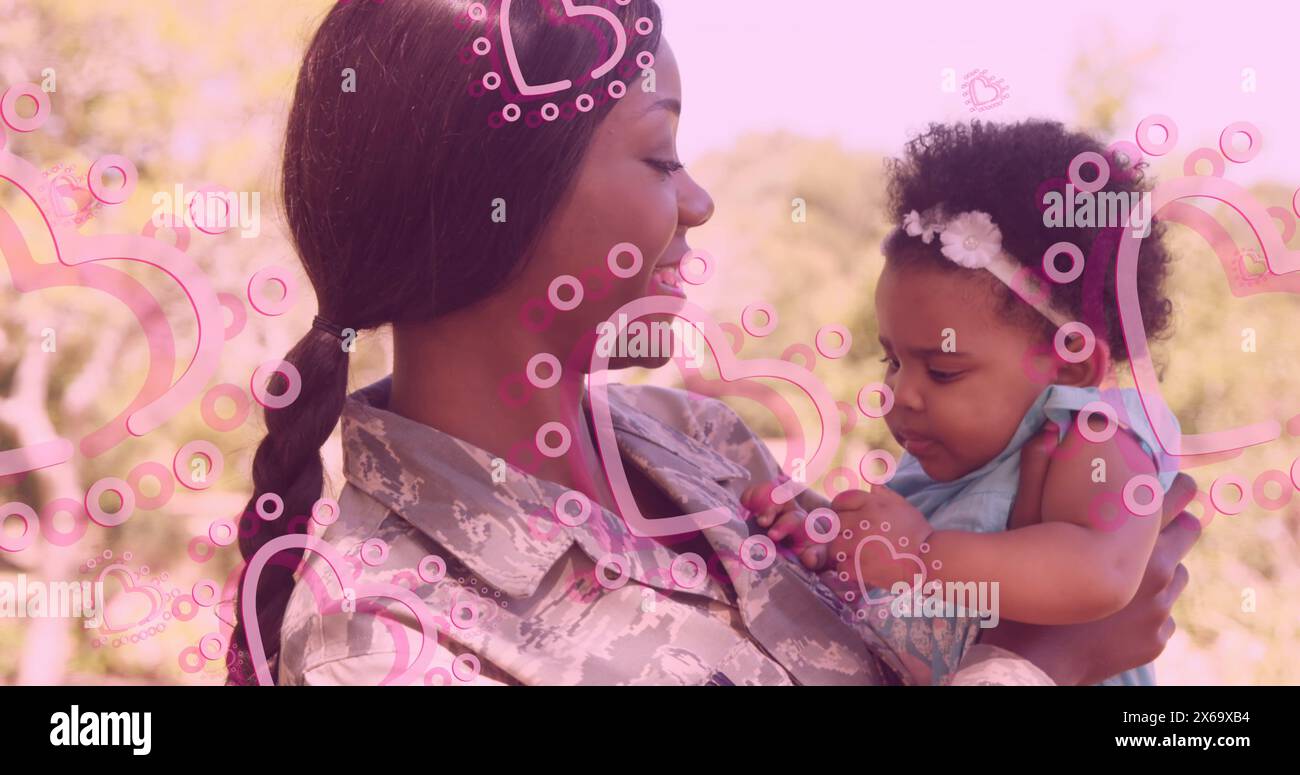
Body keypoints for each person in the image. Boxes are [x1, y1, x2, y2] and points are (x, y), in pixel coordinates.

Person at [223, 0, 1199, 686]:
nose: (698, 199)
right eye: (659, 153)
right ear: (489, 203)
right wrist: (1046, 664)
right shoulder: (382, 634)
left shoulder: (698, 441)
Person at [748, 121, 1182, 685]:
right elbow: (922, 632)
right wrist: (828, 550)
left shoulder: (1091, 436)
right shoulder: (944, 465)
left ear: (1071, 363)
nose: (901, 394)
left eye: (944, 370)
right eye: (893, 361)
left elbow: (1107, 570)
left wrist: (920, 555)